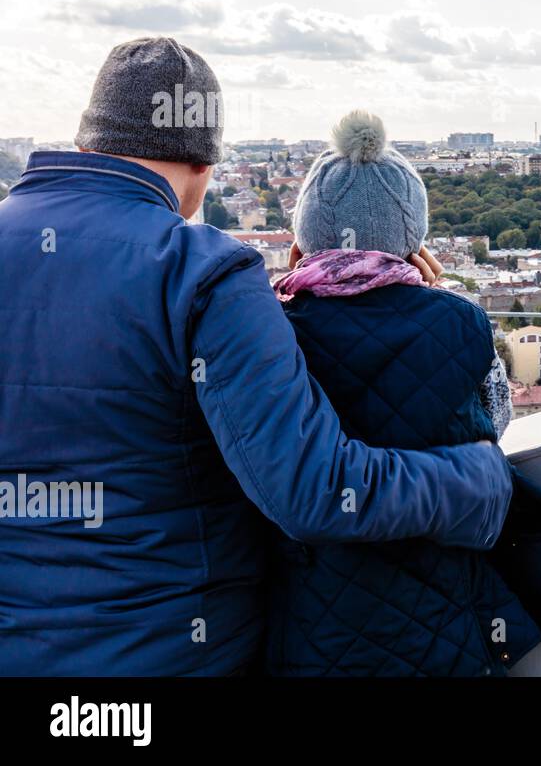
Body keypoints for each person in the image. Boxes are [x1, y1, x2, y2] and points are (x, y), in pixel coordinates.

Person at [0, 38, 514, 676]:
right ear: (204, 167)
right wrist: (480, 482)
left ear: (85, 146)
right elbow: (315, 491)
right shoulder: (201, 272)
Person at [263, 111, 541, 675]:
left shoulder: (272, 327)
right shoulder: (459, 321)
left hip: (314, 601)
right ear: (414, 238)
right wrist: (441, 301)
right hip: (440, 598)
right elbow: (495, 419)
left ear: (301, 241)